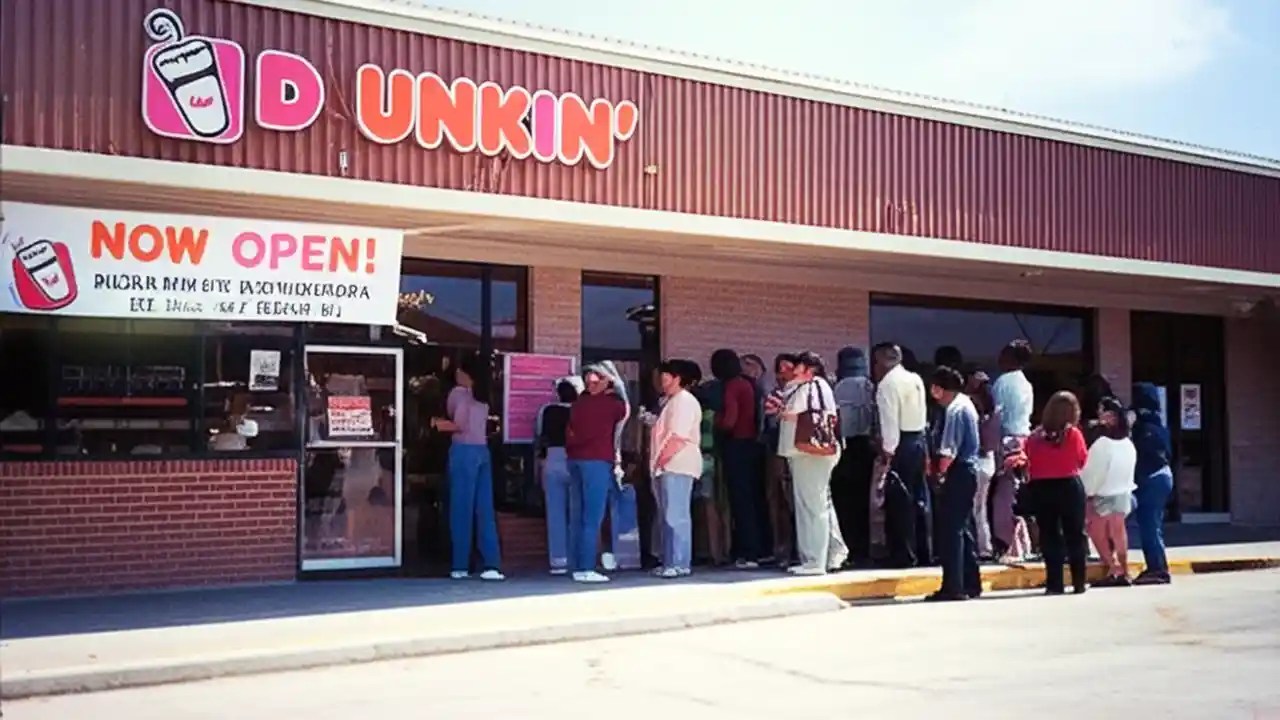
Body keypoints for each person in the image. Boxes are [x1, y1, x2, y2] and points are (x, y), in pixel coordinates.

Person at [431, 354, 504, 581]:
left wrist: (435, 424)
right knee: (485, 510)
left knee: (461, 510)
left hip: (463, 452)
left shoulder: (459, 394)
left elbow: (459, 424)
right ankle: (492, 564)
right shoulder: (483, 396)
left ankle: (460, 565)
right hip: (482, 451)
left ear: (464, 373)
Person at [778, 351, 848, 575]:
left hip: (809, 453)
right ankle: (829, 555)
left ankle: (814, 560)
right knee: (818, 503)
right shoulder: (813, 386)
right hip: (810, 453)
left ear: (810, 369)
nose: (793, 371)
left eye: (798, 366)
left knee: (811, 506)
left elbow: (809, 415)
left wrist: (786, 413)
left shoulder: (812, 385)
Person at [566, 362, 630, 583]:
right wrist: (615, 386)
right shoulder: (612, 405)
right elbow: (625, 408)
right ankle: (586, 567)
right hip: (597, 461)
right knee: (592, 516)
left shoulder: (578, 404)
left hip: (574, 460)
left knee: (577, 515)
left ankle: (576, 565)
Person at [1023, 391, 1089, 595]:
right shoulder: (1074, 434)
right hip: (1069, 486)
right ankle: (1078, 582)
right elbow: (1082, 460)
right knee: (1075, 536)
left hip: (1042, 488)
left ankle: (1055, 584)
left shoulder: (1035, 437)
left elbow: (1029, 460)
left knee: (1050, 536)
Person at [927, 366, 982, 601]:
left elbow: (948, 451)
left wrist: (939, 474)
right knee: (964, 529)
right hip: (968, 470)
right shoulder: (966, 404)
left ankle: (954, 586)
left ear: (938, 389)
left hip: (958, 471)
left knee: (951, 532)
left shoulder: (954, 410)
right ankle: (971, 582)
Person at [873, 343, 930, 568]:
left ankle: (902, 555)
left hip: (901, 443)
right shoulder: (915, 378)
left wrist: (888, 453)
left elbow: (890, 422)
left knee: (899, 501)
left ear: (882, 361)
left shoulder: (887, 384)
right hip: (918, 439)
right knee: (918, 499)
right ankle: (923, 551)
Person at [711, 349, 769, 568]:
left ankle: (747, 551)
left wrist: (715, 421)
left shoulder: (733, 385)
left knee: (740, 500)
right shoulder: (749, 384)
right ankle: (761, 549)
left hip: (737, 445)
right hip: (753, 445)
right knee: (755, 498)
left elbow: (729, 420)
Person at [649, 359, 703, 578]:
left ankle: (680, 562)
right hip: (668, 464)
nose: (662, 381)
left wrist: (661, 460)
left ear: (677, 378)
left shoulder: (684, 401)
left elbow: (678, 436)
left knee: (676, 515)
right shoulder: (671, 401)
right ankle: (670, 561)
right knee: (667, 515)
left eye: (666, 377)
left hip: (677, 464)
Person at [1081, 396, 1137, 587]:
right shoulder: (1129, 444)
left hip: (1102, 494)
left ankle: (1112, 568)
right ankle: (1125, 570)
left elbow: (1092, 474)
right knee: (1119, 532)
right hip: (1123, 493)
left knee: (1097, 532)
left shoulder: (1102, 444)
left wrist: (1088, 493)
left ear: (1111, 416)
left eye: (1102, 411)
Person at [991, 339, 1035, 562]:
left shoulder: (1003, 382)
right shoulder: (1026, 383)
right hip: (1024, 439)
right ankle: (1021, 542)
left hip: (1007, 439)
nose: (999, 358)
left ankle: (1008, 543)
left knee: (1004, 495)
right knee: (1016, 493)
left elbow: (997, 416)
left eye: (1004, 354)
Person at [832, 346, 876, 563]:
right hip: (866, 447)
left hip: (845, 447)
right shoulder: (870, 386)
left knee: (845, 502)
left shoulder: (839, 388)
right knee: (863, 501)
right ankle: (864, 549)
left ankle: (849, 548)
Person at [535, 376, 583, 575]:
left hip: (552, 458)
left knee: (555, 512)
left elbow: (539, 434)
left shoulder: (547, 410)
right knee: (576, 511)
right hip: (575, 458)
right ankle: (576, 558)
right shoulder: (579, 411)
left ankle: (558, 560)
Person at [1131, 382, 1174, 585]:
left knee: (1149, 524)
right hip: (1163, 475)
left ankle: (1158, 569)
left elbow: (1140, 456)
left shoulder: (1144, 427)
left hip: (1153, 478)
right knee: (1152, 524)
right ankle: (1157, 566)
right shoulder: (1158, 424)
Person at [761, 353, 800, 565]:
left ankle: (795, 548)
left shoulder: (802, 393)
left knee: (793, 502)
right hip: (775, 453)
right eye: (780, 369)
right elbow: (770, 427)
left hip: (797, 454)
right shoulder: (775, 395)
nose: (783, 373)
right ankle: (780, 548)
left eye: (788, 368)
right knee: (776, 501)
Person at [966, 371, 1001, 560]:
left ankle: (979, 547)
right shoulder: (995, 411)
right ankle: (984, 546)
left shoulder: (972, 407)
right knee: (981, 507)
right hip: (989, 460)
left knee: (973, 508)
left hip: (977, 460)